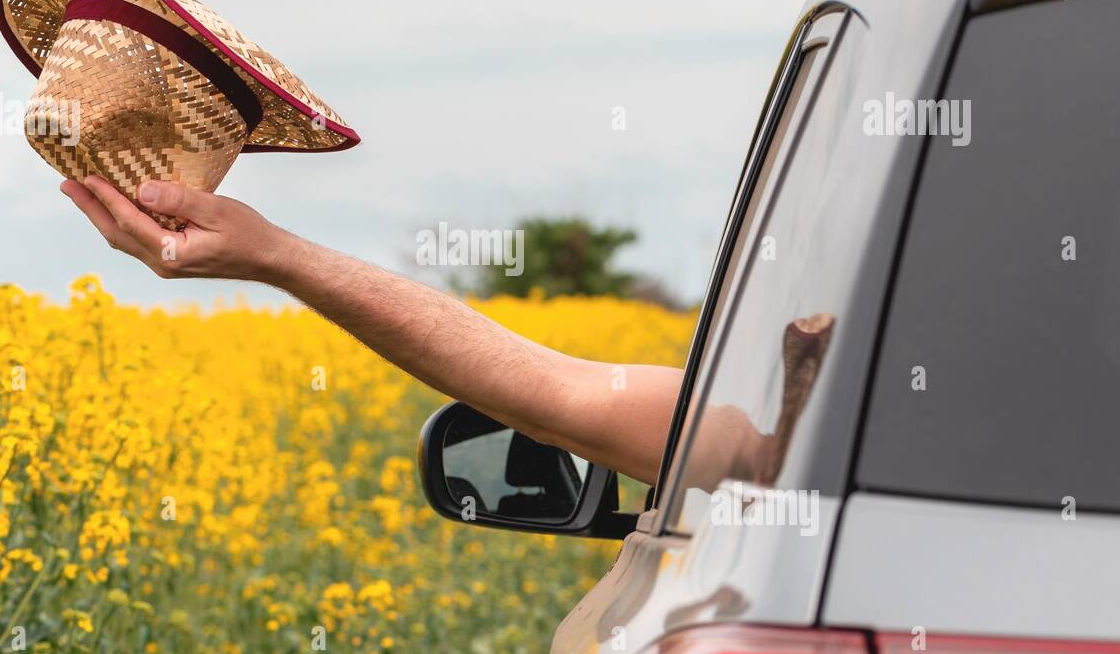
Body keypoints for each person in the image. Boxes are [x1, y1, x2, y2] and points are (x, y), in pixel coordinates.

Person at [62, 177, 830, 491]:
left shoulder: (786, 464)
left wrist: (277, 256)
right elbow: (550, 395)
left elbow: (551, 396)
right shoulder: (807, 465)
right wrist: (271, 254)